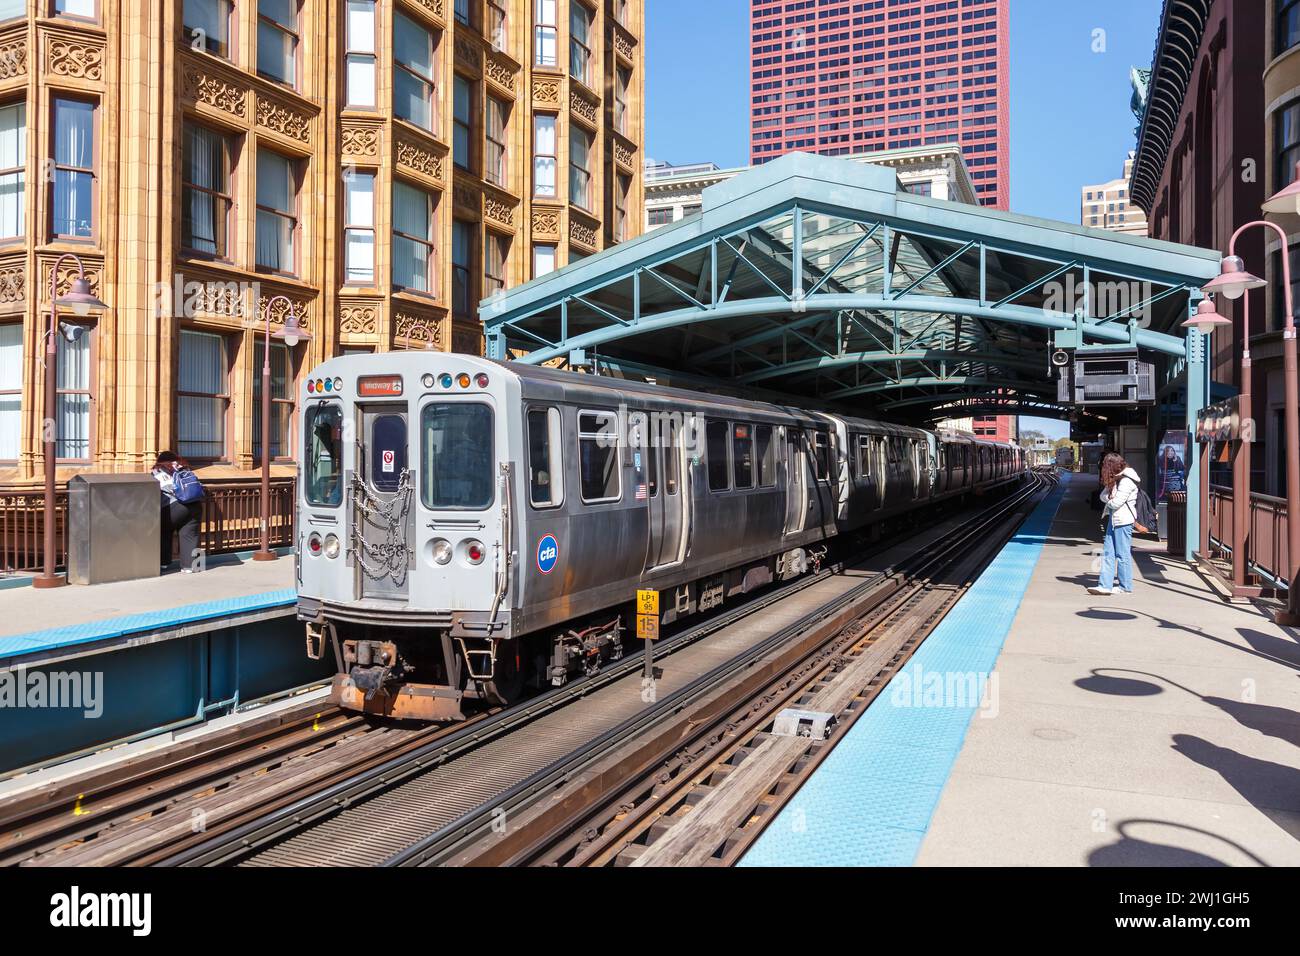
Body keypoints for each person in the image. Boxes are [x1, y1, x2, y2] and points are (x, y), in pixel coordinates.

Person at [1089, 453, 1140, 595]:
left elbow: (1116, 502)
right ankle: (1104, 585)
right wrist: (1110, 499)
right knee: (1108, 553)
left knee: (1122, 554)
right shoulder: (1116, 480)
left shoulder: (1127, 481)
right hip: (1113, 520)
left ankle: (1125, 586)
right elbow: (1102, 495)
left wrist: (1110, 500)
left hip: (1123, 521)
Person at [153, 451, 203, 573]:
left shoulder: (158, 471)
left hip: (174, 506)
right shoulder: (184, 469)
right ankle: (191, 566)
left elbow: (162, 488)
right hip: (195, 505)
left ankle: (163, 562)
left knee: (163, 530)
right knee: (190, 534)